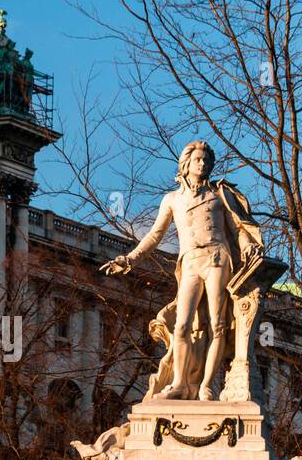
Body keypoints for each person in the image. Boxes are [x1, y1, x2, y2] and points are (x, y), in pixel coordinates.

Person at [102, 141, 262, 400]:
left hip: (217, 258)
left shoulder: (219, 195)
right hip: (189, 261)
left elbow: (238, 229)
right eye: (198, 159)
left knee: (217, 325)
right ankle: (179, 383)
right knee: (182, 325)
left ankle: (207, 385)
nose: (203, 164)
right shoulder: (173, 200)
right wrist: (129, 259)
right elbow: (154, 235)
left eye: (206, 160)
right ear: (186, 164)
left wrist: (247, 247)